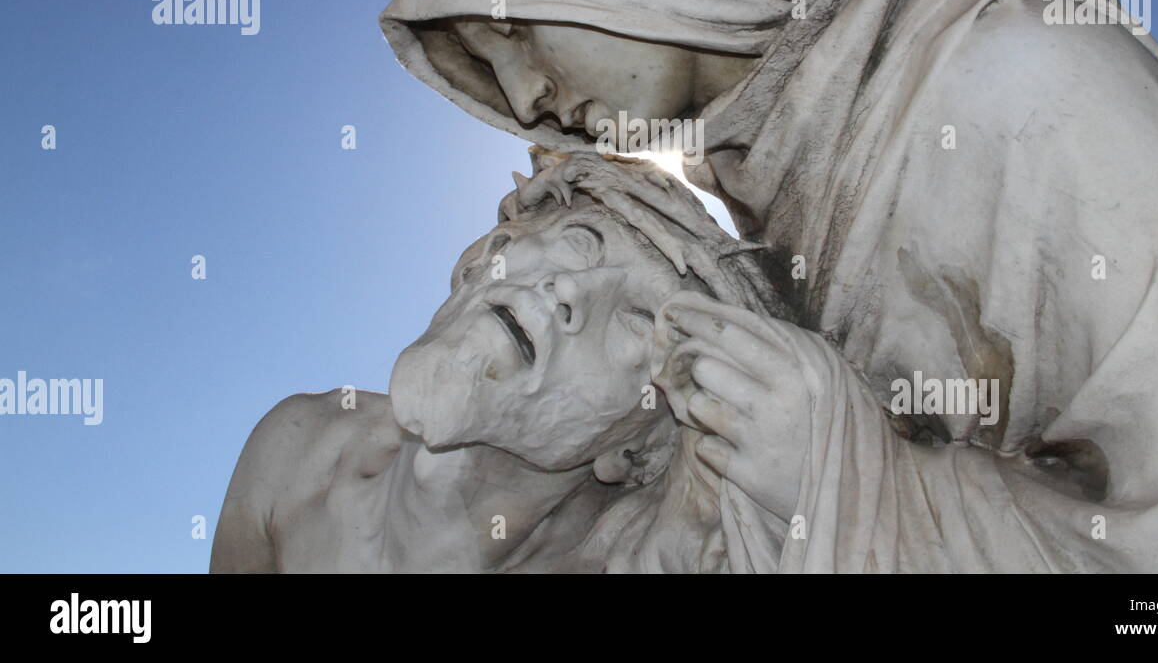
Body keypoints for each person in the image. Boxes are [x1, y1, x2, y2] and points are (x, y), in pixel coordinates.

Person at [377, 0, 1158, 571]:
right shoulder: (770, 190)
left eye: (510, 33)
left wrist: (846, 469)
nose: (526, 95)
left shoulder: (1015, 77)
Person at [210, 150, 782, 572]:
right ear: (489, 256)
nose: (571, 289)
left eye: (638, 321)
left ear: (636, 451)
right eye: (583, 240)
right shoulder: (301, 443)